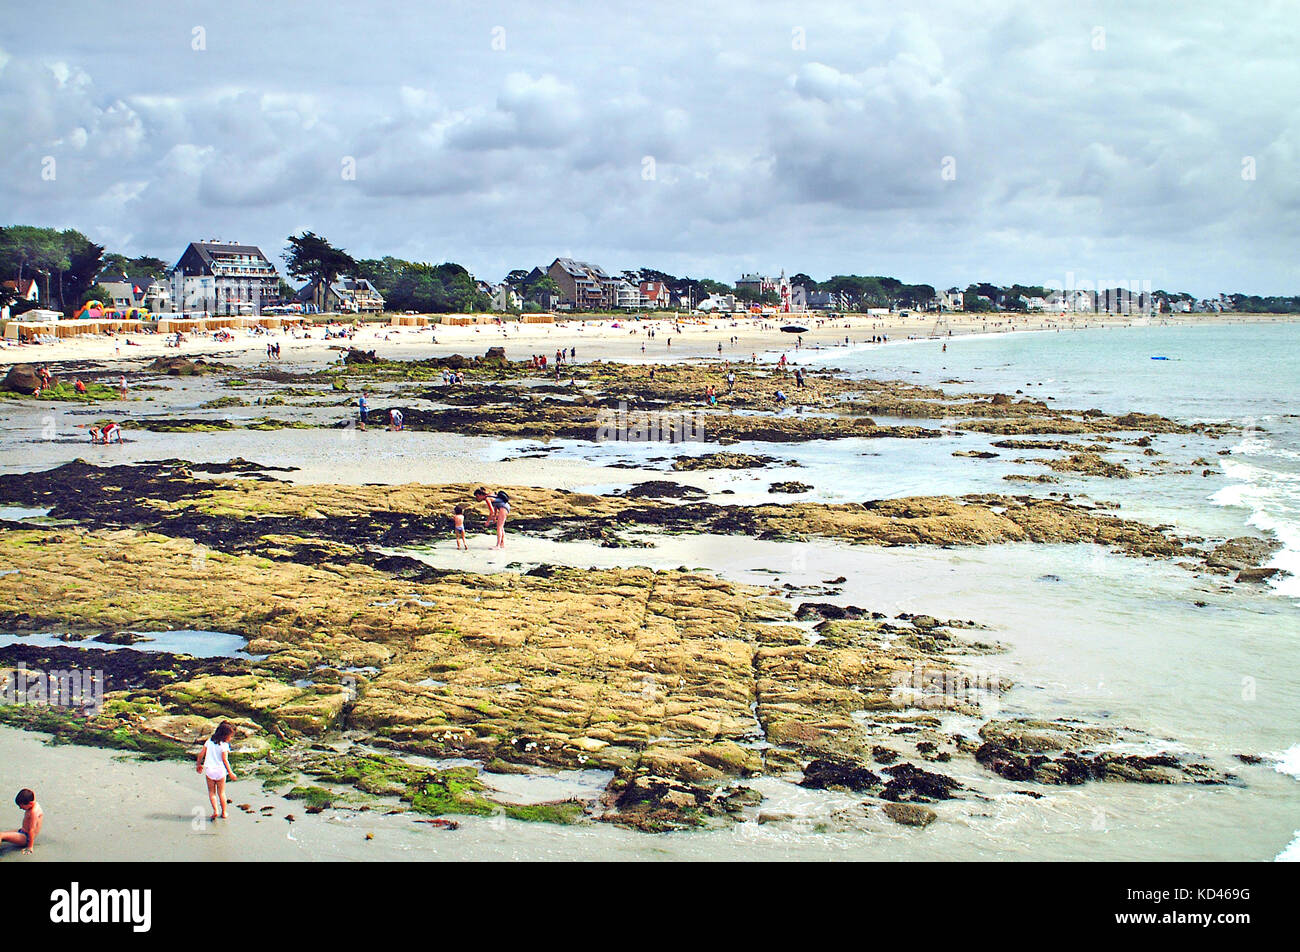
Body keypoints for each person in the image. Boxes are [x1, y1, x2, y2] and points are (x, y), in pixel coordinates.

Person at [196, 722, 237, 821]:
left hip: (210, 771)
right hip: (220, 772)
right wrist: (230, 773)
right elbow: (225, 760)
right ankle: (224, 812)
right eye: (230, 736)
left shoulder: (209, 741)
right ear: (224, 736)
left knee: (211, 792)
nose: (230, 738)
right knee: (222, 793)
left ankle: (215, 811)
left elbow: (201, 754)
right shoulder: (224, 745)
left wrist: (198, 765)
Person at [1, 789, 42, 854]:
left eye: (22, 806)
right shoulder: (32, 800)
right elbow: (32, 792)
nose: (20, 808)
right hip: (22, 831)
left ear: (30, 803)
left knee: (1, 835)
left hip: (26, 837)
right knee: (2, 834)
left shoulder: (33, 812)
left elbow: (32, 829)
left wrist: (30, 847)